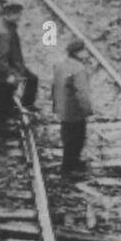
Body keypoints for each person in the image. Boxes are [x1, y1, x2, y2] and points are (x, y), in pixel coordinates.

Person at [0, 1, 38, 130]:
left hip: (12, 67)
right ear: (10, 14)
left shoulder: (7, 25)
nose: (20, 17)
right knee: (4, 100)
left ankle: (15, 112)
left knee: (30, 80)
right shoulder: (3, 32)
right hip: (5, 73)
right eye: (18, 14)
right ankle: (1, 129)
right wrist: (9, 75)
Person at [51, 38, 93, 175]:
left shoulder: (60, 64)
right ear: (78, 53)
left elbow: (54, 86)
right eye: (84, 51)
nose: (87, 53)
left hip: (63, 108)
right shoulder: (79, 68)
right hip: (75, 111)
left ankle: (70, 164)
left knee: (67, 138)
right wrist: (87, 109)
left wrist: (56, 106)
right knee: (77, 139)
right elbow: (82, 92)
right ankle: (70, 167)